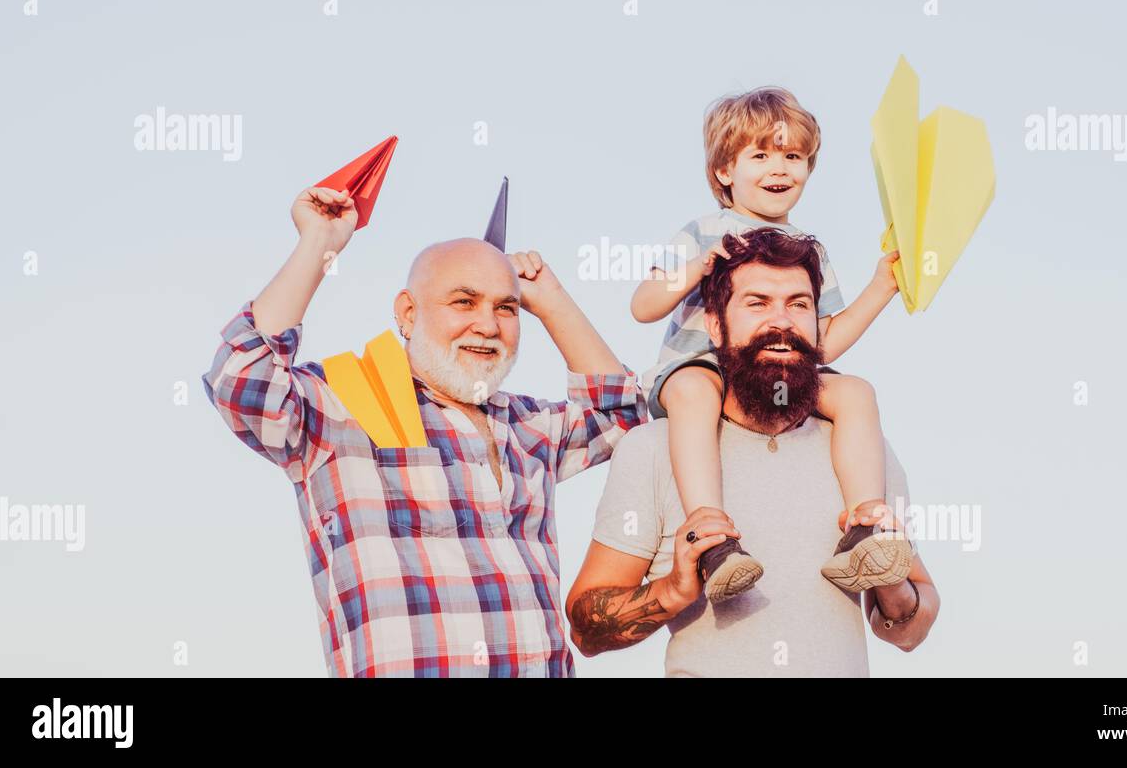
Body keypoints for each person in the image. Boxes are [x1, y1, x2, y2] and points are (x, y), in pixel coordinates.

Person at [203, 183, 647, 676]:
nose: (488, 324)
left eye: (505, 307)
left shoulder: (527, 426)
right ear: (408, 314)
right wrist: (319, 243)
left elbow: (622, 418)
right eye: (464, 301)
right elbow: (241, 379)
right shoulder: (342, 405)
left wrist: (553, 302)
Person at [570, 228, 938, 677]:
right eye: (757, 303)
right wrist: (672, 590)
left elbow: (911, 632)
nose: (780, 322)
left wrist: (893, 583)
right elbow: (585, 633)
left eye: (799, 305)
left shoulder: (861, 447)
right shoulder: (653, 450)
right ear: (714, 325)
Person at [632, 88, 906, 602]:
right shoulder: (704, 230)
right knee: (695, 391)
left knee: (856, 393)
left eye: (793, 156)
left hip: (778, 372)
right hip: (703, 366)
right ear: (724, 172)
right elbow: (644, 304)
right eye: (760, 155)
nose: (779, 168)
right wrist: (697, 267)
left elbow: (822, 345)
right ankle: (712, 536)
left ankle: (863, 530)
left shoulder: (808, 250)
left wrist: (882, 287)